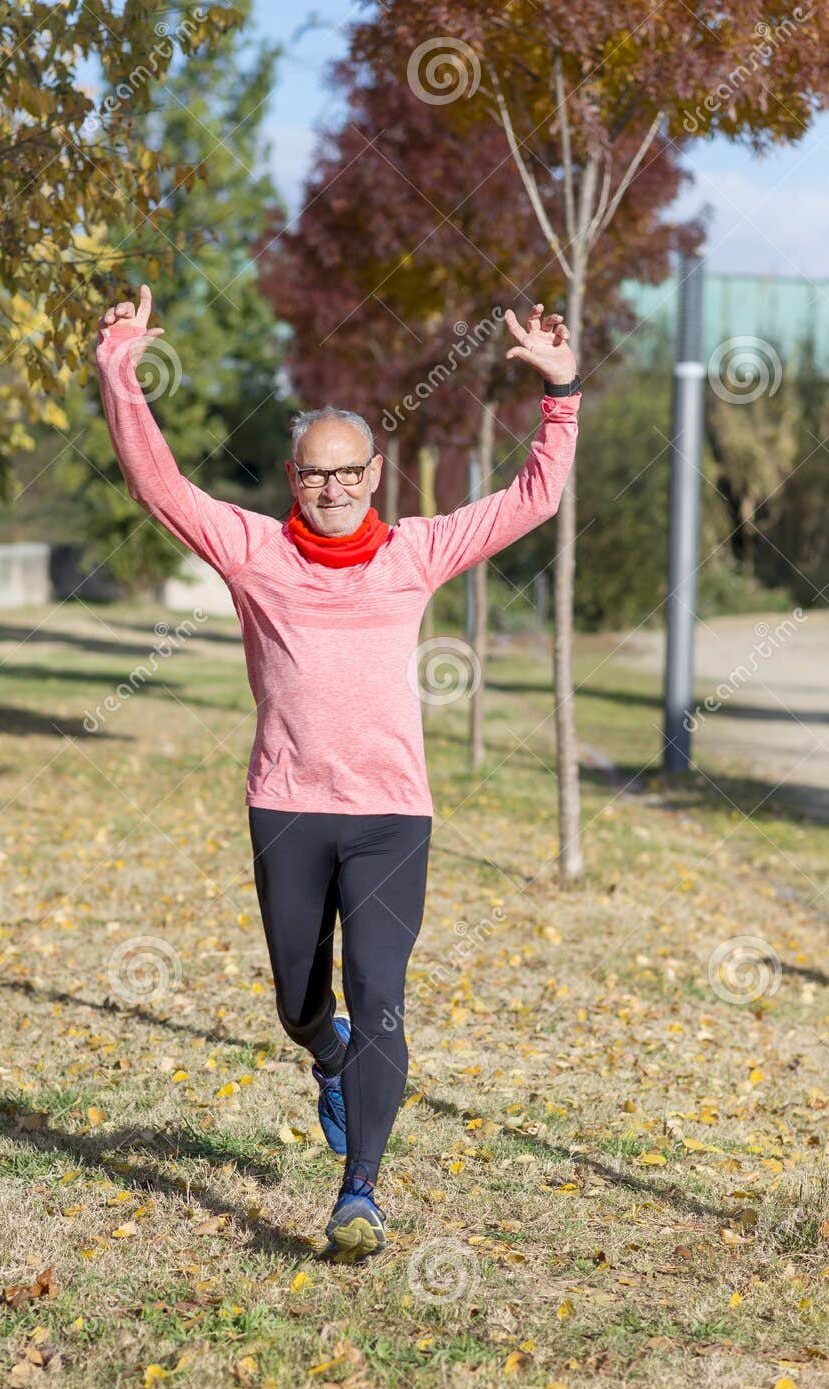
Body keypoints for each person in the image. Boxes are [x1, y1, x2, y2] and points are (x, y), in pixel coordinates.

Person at [95, 286, 580, 1262]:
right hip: (286, 805)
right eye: (316, 476)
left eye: (350, 473)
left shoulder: (415, 552)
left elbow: (535, 497)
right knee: (298, 1000)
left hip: (392, 814)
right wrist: (120, 374)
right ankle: (325, 1052)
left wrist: (561, 394)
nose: (334, 489)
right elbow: (160, 489)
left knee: (383, 992)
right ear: (292, 478)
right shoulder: (254, 552)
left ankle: (359, 1193)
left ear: (374, 474)